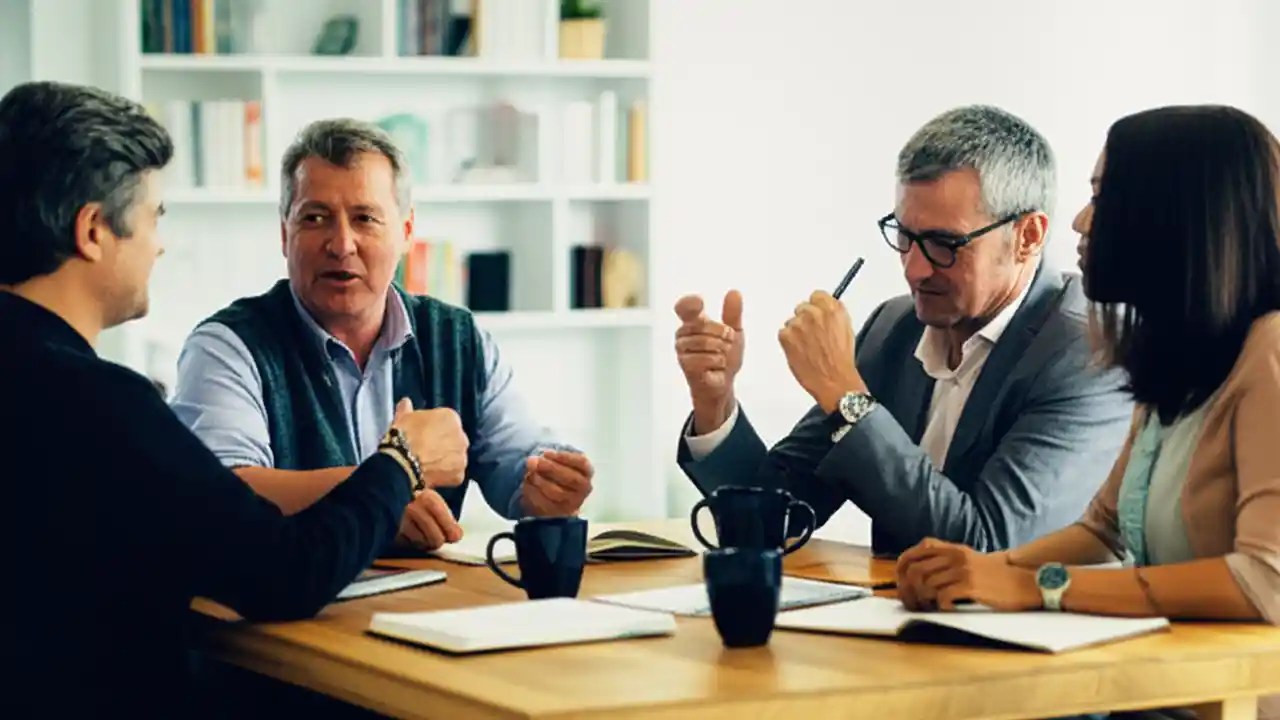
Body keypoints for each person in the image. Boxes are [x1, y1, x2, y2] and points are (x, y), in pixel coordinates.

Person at [0, 82, 454, 716]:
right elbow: (283, 576)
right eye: (155, 217)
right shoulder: (100, 405)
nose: (160, 244)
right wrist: (401, 461)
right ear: (94, 230)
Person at [896, 105, 1280, 720]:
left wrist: (1036, 588)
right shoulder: (1175, 353)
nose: (1080, 221)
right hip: (1146, 697)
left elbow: (1265, 580)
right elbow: (1102, 529)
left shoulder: (1271, 351)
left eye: (1103, 196)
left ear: (1175, 216)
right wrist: (973, 573)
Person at [674, 105, 1134, 554]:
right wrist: (716, 403)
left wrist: (846, 397)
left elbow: (985, 549)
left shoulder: (1087, 351)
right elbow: (770, 521)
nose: (915, 270)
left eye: (944, 244)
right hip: (892, 620)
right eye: (905, 236)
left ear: (1028, 236)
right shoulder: (893, 329)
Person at [170, 119, 593, 551]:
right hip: (288, 610)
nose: (341, 244)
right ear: (285, 234)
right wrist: (386, 490)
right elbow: (227, 494)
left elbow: (517, 465)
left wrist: (549, 486)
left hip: (424, 603)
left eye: (365, 218)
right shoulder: (227, 346)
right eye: (315, 218)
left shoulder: (458, 339)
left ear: (406, 232)